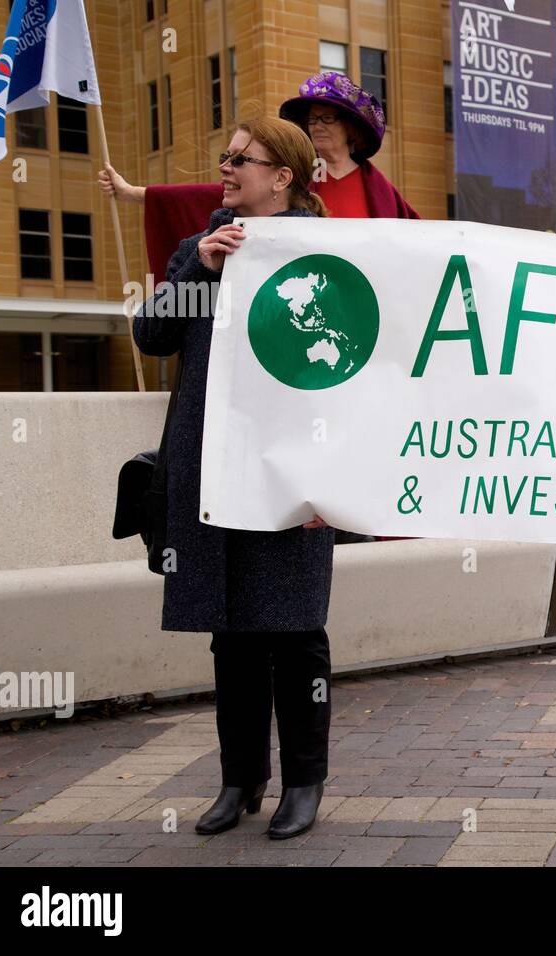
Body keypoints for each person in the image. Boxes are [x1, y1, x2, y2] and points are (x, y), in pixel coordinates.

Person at [133, 117, 336, 840]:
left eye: (240, 160)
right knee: (233, 635)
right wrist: (199, 271)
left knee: (294, 632)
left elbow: (354, 372)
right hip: (214, 468)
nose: (226, 169)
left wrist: (332, 482)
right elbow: (152, 337)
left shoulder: (328, 253)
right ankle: (240, 780)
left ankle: (304, 783)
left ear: (282, 176)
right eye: (224, 158)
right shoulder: (200, 249)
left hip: (292, 469)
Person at [99, 71, 419, 286]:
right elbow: (211, 194)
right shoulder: (291, 181)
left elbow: (423, 246)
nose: (316, 125)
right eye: (311, 119)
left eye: (326, 118)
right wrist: (133, 193)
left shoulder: (381, 192)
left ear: (352, 128)